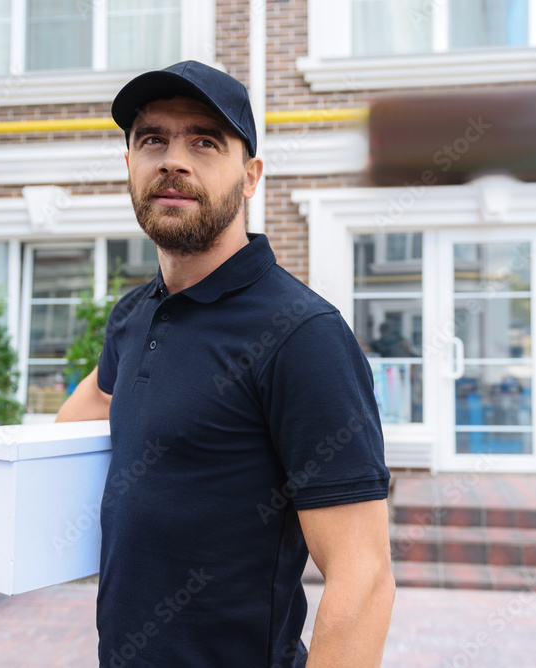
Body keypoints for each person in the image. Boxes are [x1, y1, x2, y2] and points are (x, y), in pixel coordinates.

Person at [55, 60, 395, 668]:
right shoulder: (135, 314)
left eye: (205, 141)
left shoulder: (302, 335)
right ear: (129, 165)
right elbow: (99, 400)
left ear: (250, 176)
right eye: (152, 139)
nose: (173, 160)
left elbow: (362, 576)